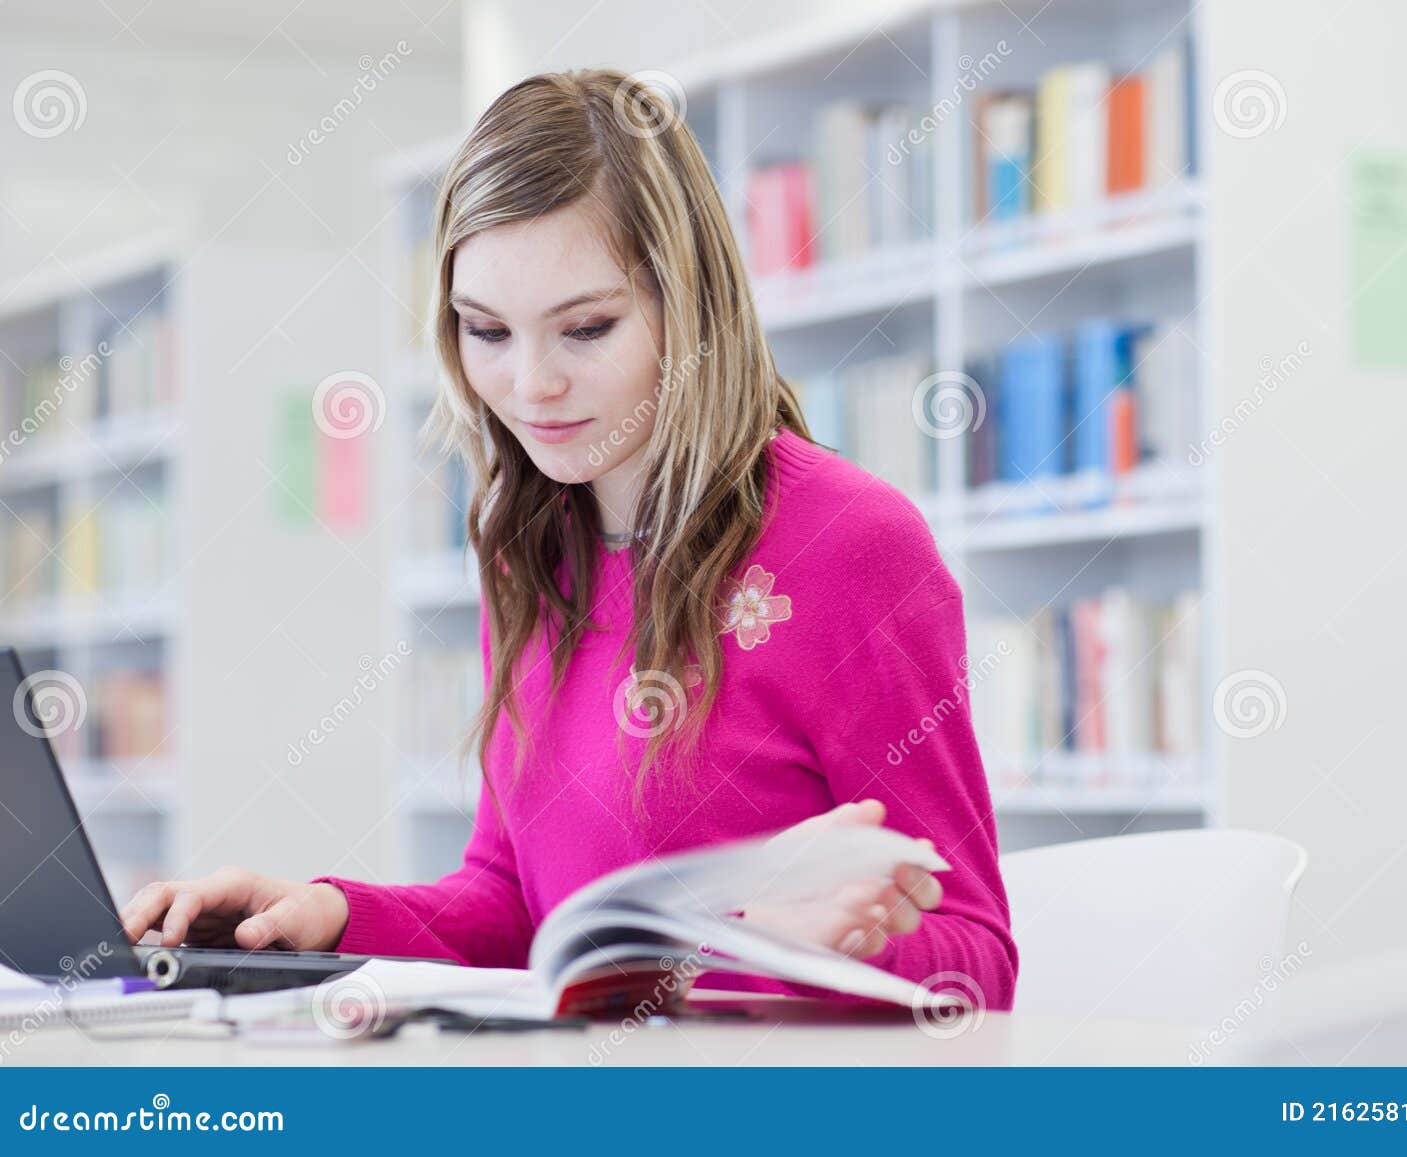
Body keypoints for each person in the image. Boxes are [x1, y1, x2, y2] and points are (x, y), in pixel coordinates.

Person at [120, 68, 1018, 1010]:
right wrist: (330, 915)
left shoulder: (850, 545)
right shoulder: (530, 544)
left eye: (585, 328)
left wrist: (793, 955)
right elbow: (515, 904)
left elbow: (977, 959)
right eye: (486, 330)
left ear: (691, 306)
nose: (530, 383)